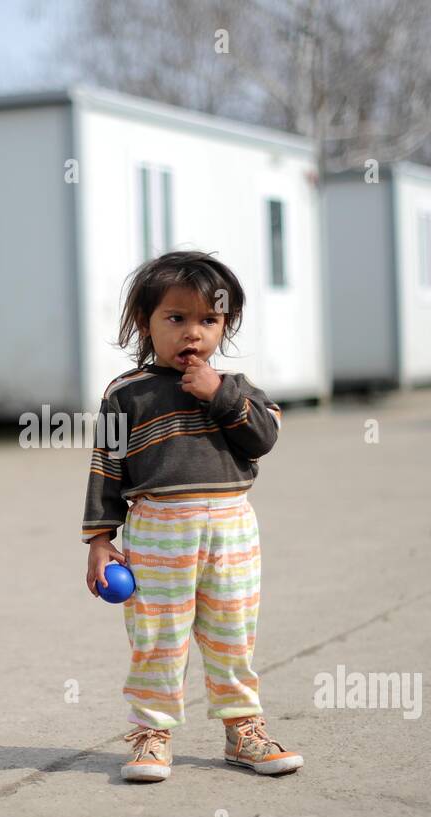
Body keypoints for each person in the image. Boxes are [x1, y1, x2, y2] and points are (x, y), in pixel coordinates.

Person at [82, 250, 304, 783]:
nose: (193, 334)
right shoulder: (125, 394)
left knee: (233, 633)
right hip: (159, 531)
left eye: (209, 320)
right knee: (158, 636)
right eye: (176, 318)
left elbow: (265, 438)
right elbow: (106, 465)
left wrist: (221, 396)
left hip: (231, 530)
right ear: (146, 322)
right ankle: (152, 734)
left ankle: (244, 729)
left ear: (226, 324)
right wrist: (99, 537)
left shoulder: (238, 388)